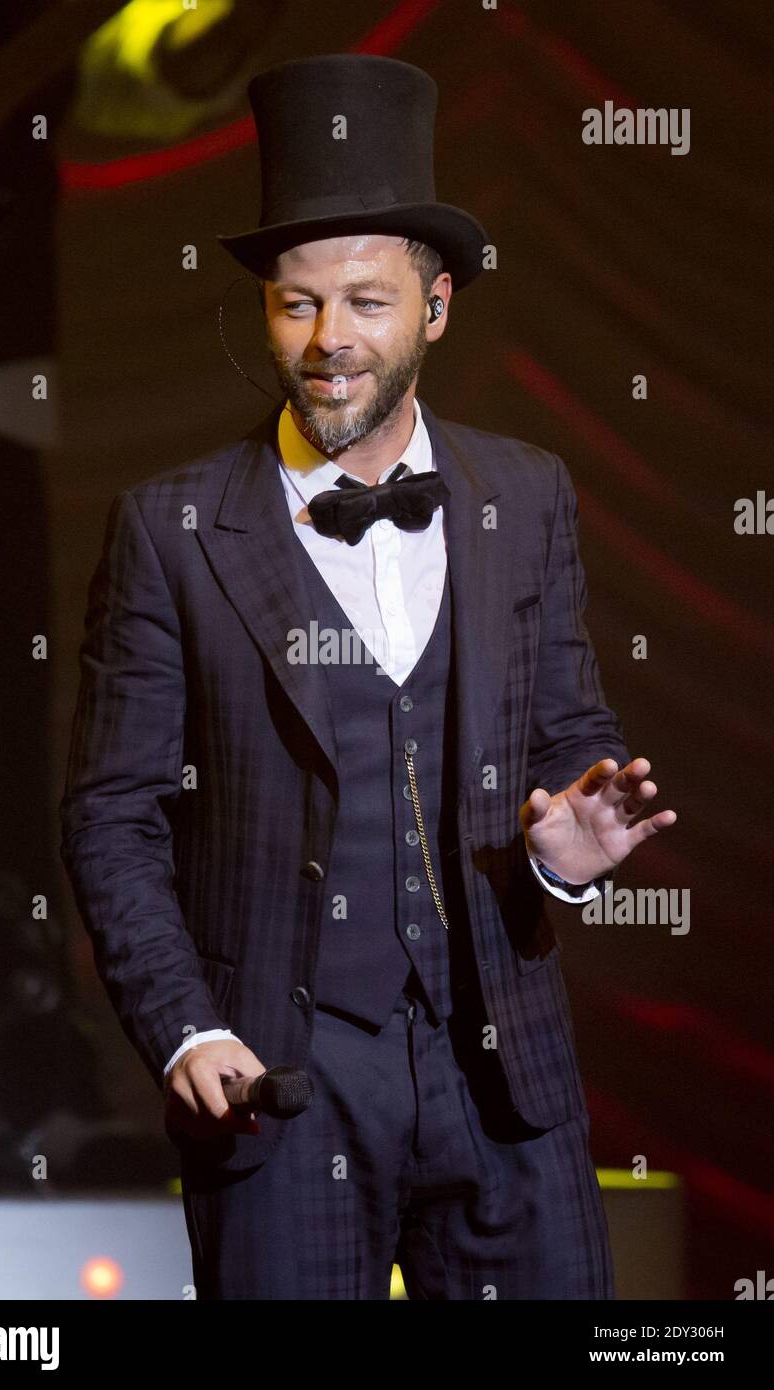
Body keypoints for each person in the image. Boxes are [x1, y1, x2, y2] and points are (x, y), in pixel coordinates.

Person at [59, 53, 677, 1300]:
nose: (328, 340)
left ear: (437, 306)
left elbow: (568, 730)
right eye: (295, 305)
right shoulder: (168, 528)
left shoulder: (524, 493)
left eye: (366, 301)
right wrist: (187, 1022)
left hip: (502, 1081)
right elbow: (112, 811)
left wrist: (562, 844)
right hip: (281, 1088)